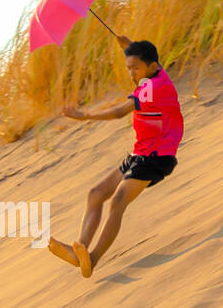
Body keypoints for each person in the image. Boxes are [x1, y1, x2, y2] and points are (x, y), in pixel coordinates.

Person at [48, 37, 184, 278]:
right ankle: (77, 249)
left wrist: (84, 115)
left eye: (136, 68)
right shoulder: (155, 74)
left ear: (151, 67)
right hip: (139, 153)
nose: (131, 73)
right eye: (128, 68)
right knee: (96, 194)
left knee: (118, 200)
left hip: (157, 156)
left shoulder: (153, 87)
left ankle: (93, 258)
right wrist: (128, 46)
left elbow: (119, 112)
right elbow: (149, 60)